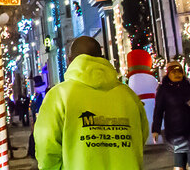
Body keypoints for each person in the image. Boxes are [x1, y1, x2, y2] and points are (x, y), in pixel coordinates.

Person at [34, 36, 147, 170]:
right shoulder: (129, 96)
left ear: (70, 61)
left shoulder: (60, 96)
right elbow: (141, 135)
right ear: (102, 58)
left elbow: (46, 145)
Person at [152, 61, 190, 169]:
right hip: (175, 131)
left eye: (179, 72)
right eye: (174, 72)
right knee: (179, 161)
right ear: (168, 74)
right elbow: (158, 110)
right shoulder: (163, 90)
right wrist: (156, 129)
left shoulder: (187, 86)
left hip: (189, 129)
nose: (177, 74)